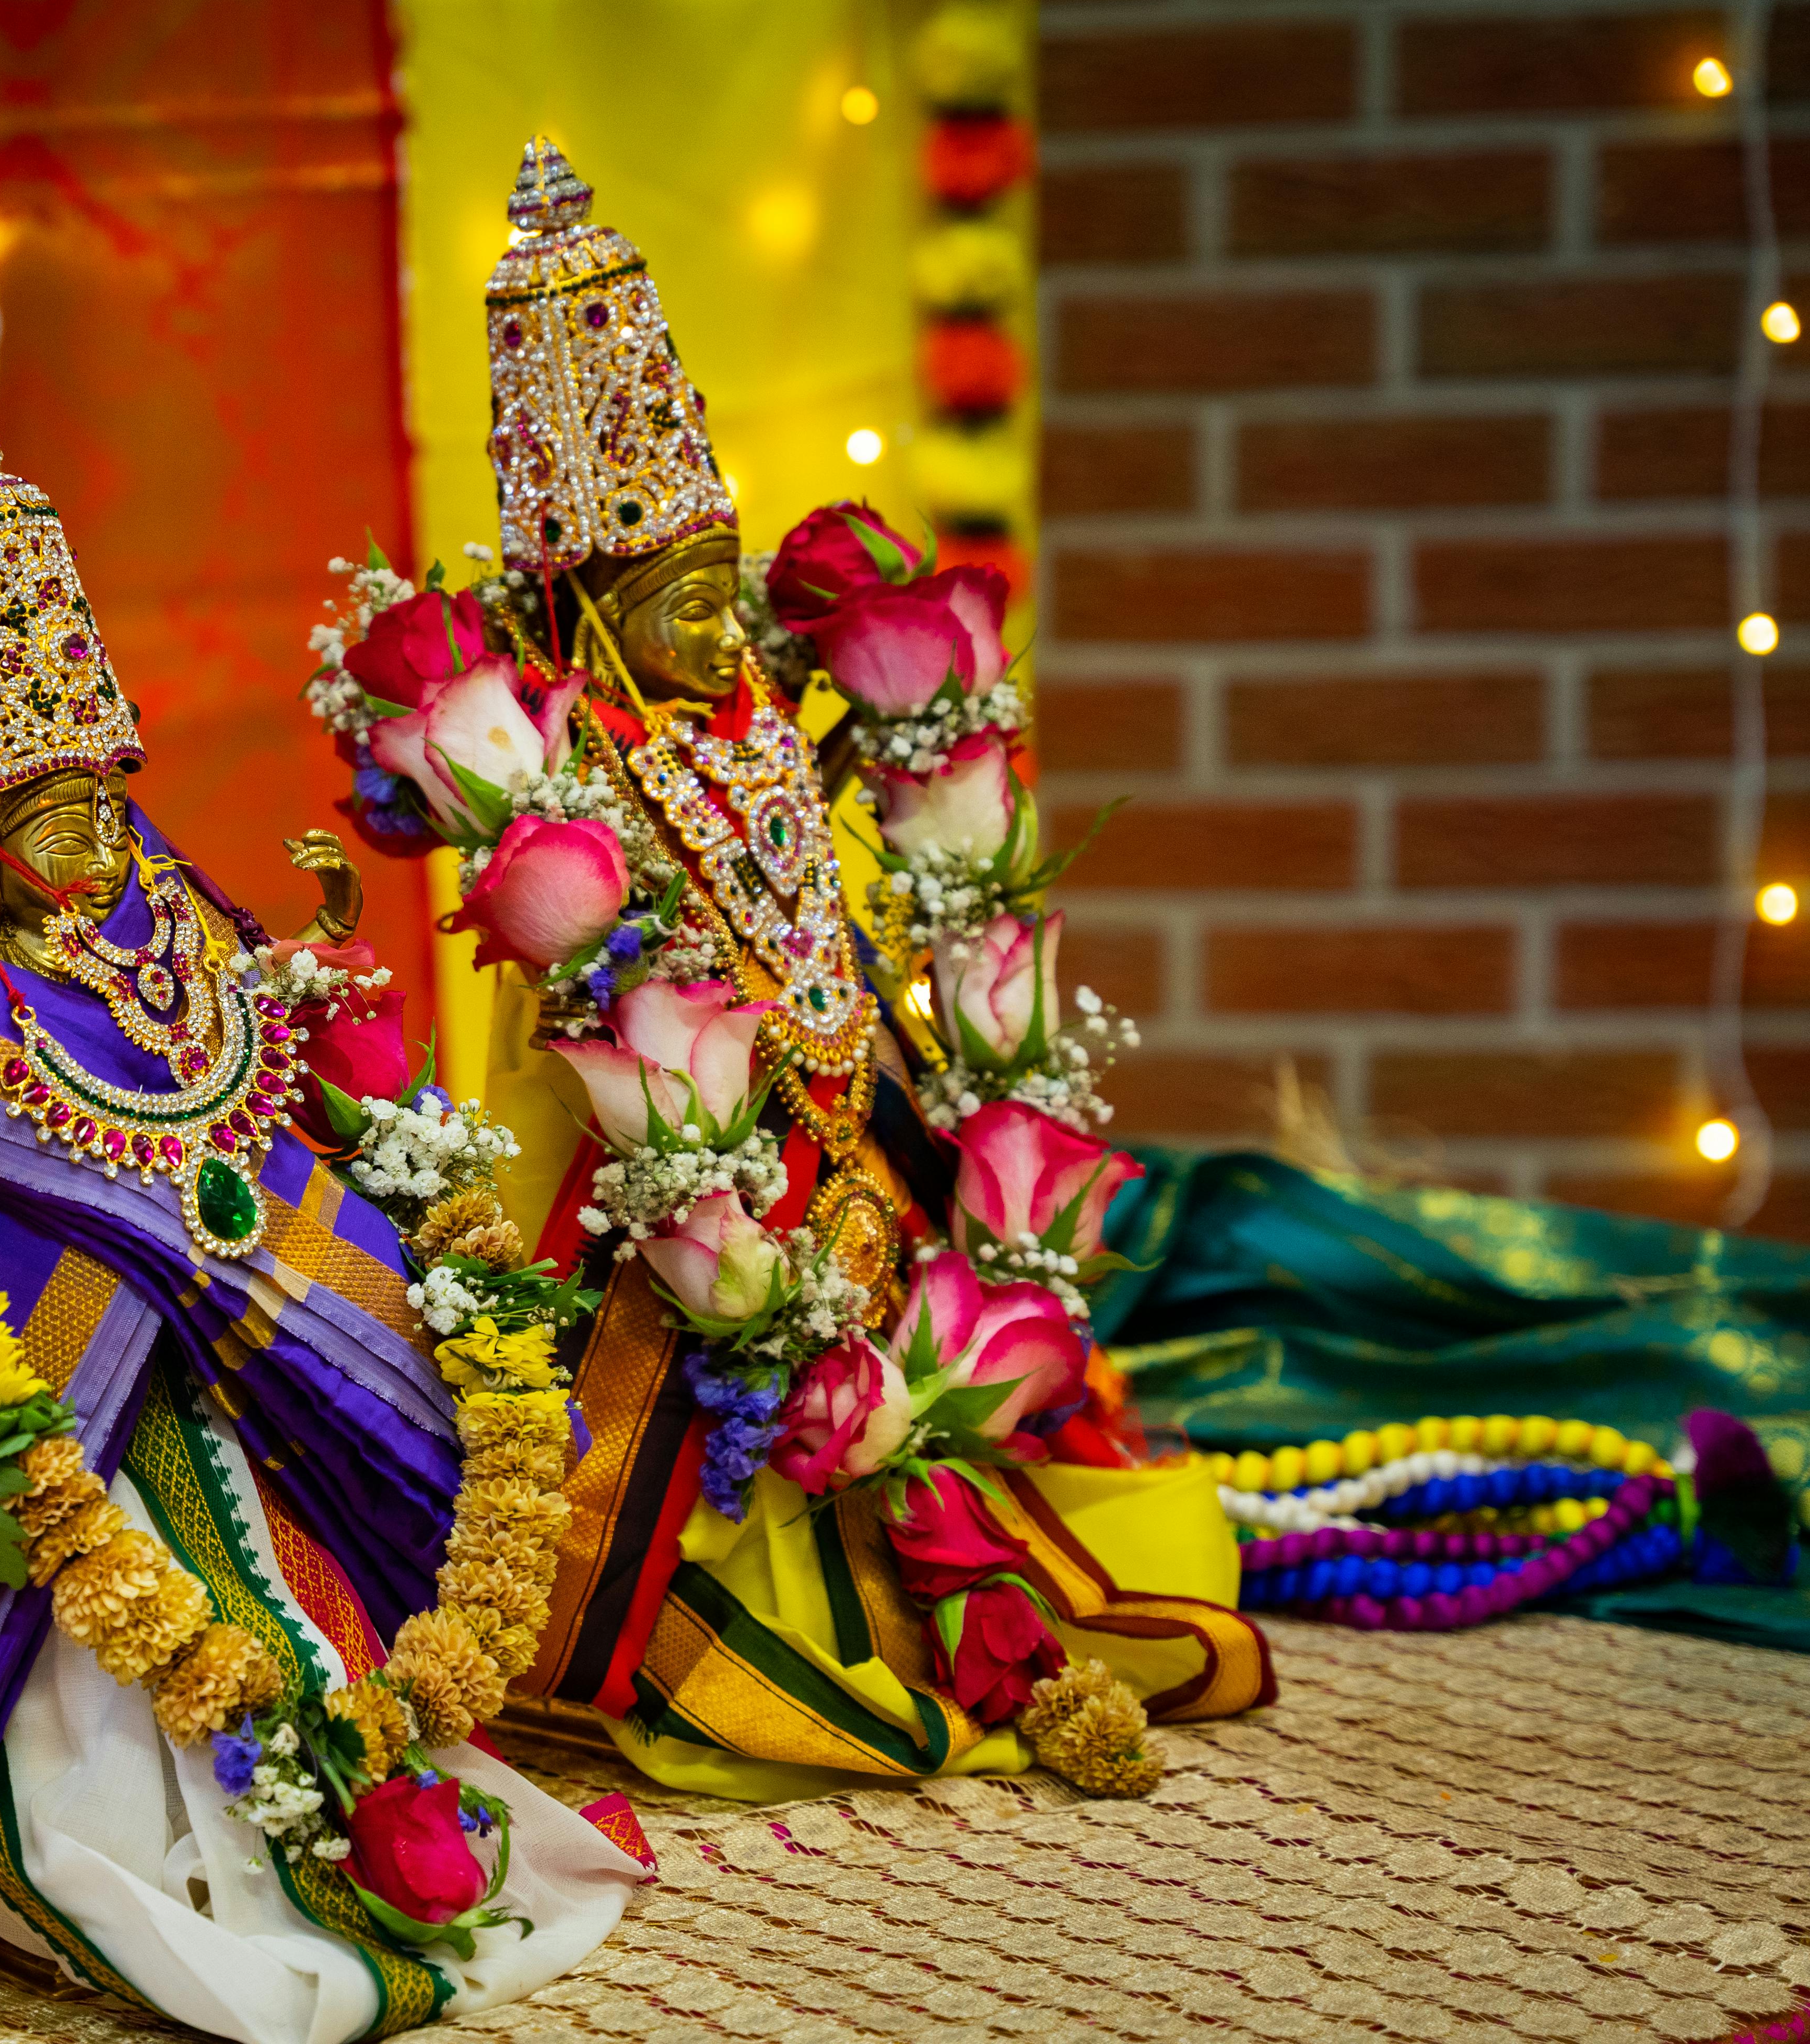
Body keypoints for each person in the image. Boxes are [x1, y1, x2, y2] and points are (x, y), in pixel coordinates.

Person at [312, 138, 1271, 1804]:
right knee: (681, 1419)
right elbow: (575, 993)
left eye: (716, 579)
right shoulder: (565, 765)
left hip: (842, 1114)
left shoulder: (757, 719)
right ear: (591, 613)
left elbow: (840, 906)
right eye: (667, 598)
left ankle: (942, 1540)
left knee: (915, 1334)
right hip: (649, 1159)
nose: (709, 624)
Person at [0, 396, 643, 2042]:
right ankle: (119, 1842)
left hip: (236, 1368)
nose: (90, 840)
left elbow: (272, 1100)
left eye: (102, 802)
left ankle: (367, 1812)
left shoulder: (177, 925)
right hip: (64, 1372)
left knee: (298, 1599)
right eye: (45, 819)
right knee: (122, 1643)